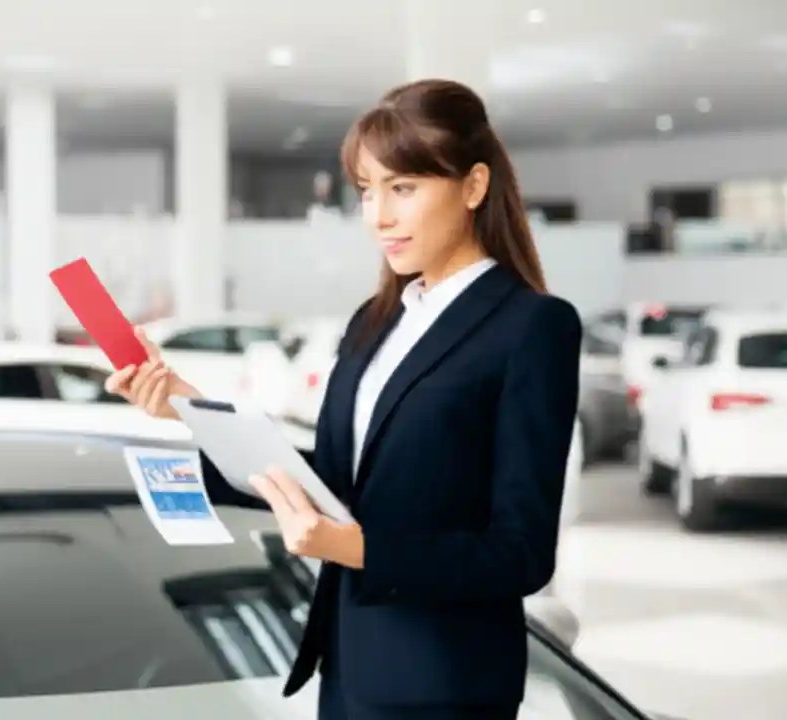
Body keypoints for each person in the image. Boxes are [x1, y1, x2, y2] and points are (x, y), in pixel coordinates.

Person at [105, 78, 581, 720]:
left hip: (444, 687)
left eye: (403, 188)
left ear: (473, 186)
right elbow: (332, 477)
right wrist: (187, 407)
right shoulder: (374, 320)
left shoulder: (533, 326)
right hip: (350, 664)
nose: (378, 216)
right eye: (366, 191)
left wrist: (355, 548)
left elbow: (520, 554)